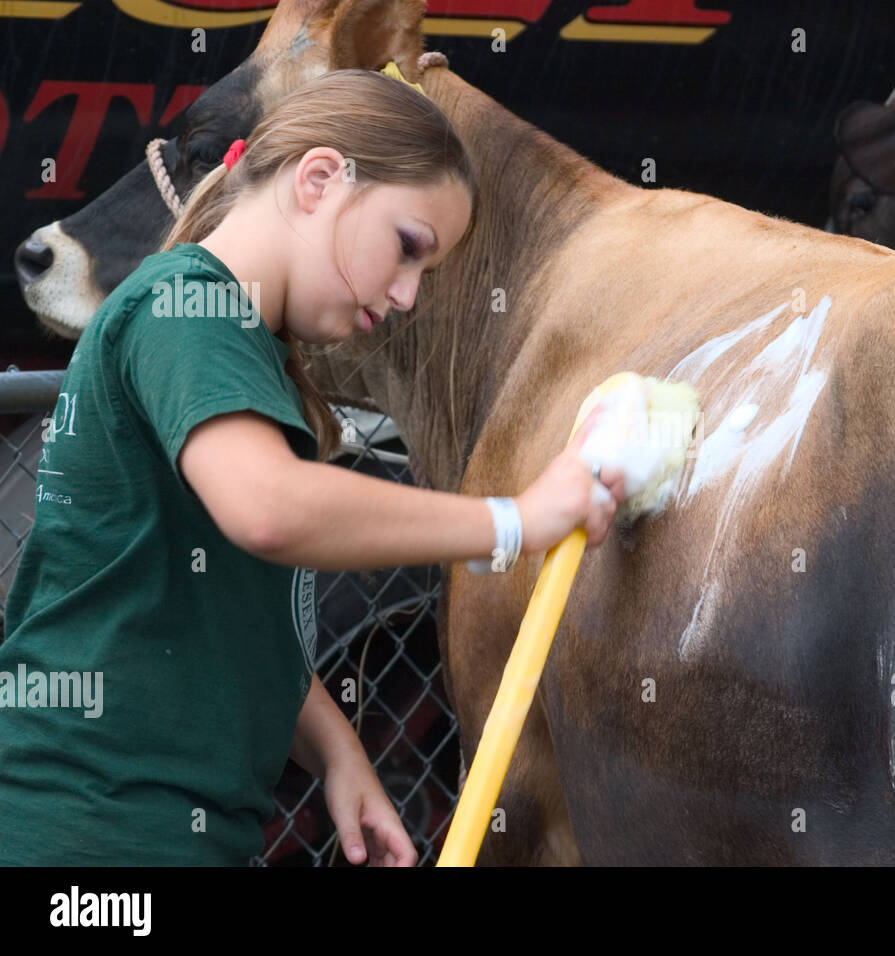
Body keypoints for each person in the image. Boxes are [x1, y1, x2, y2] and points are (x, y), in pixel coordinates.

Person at [0, 67, 626, 866]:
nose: (405, 295)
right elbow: (269, 506)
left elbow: (228, 614)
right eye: (407, 249)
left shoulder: (229, 333)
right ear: (321, 179)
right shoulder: (187, 307)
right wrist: (513, 520)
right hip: (95, 837)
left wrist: (339, 756)